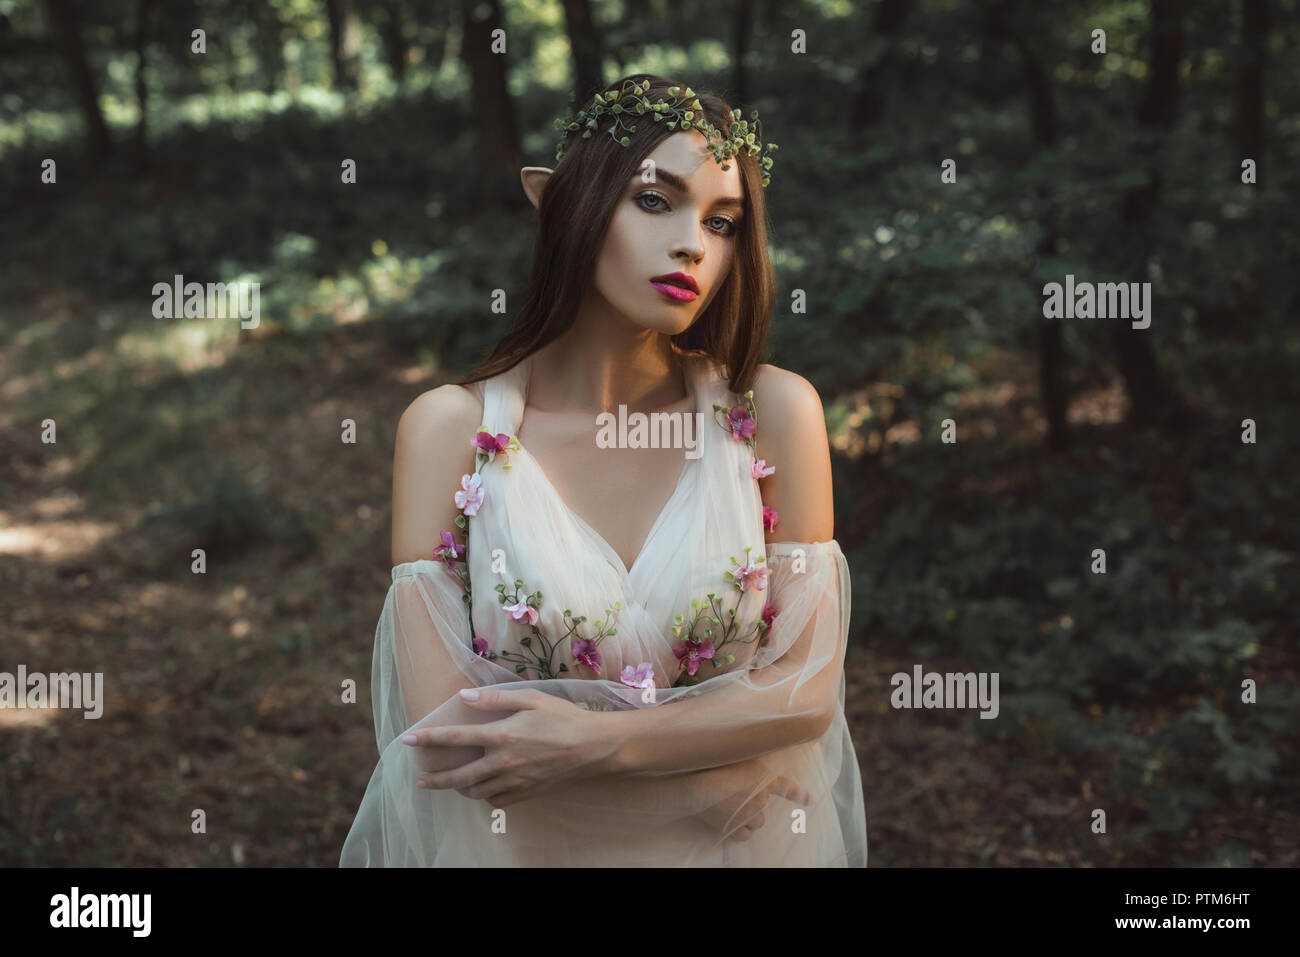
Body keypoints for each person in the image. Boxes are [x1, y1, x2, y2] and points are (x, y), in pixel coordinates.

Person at [340, 74, 867, 866]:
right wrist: (708, 783)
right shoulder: (447, 431)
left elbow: (806, 691)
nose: (694, 242)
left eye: (722, 222)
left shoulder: (774, 413)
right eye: (655, 200)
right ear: (560, 206)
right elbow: (447, 740)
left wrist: (600, 742)